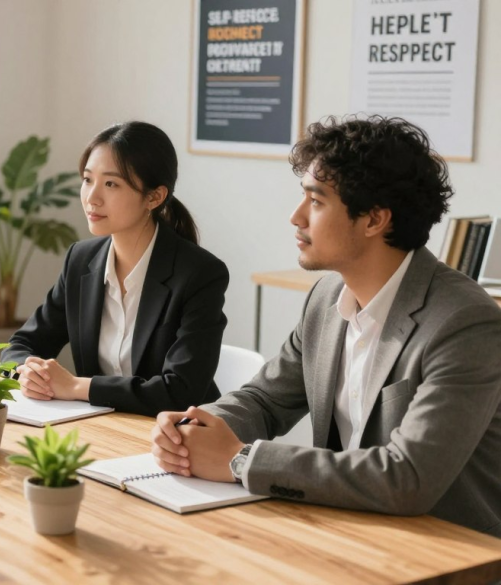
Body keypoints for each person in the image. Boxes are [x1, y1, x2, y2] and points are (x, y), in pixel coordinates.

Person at [151, 115, 501, 538]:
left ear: (374, 220)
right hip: (344, 529)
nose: (296, 217)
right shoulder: (326, 298)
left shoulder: (464, 323)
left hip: (443, 551)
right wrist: (193, 428)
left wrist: (241, 460)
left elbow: (409, 477)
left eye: (316, 201)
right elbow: (264, 400)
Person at [2, 121, 229, 417]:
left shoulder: (199, 274)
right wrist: (27, 371)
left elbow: (179, 391)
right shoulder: (81, 260)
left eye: (111, 184)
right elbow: (23, 343)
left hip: (177, 438)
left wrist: (75, 387)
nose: (92, 198)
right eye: (87, 180)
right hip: (104, 428)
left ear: (154, 197)